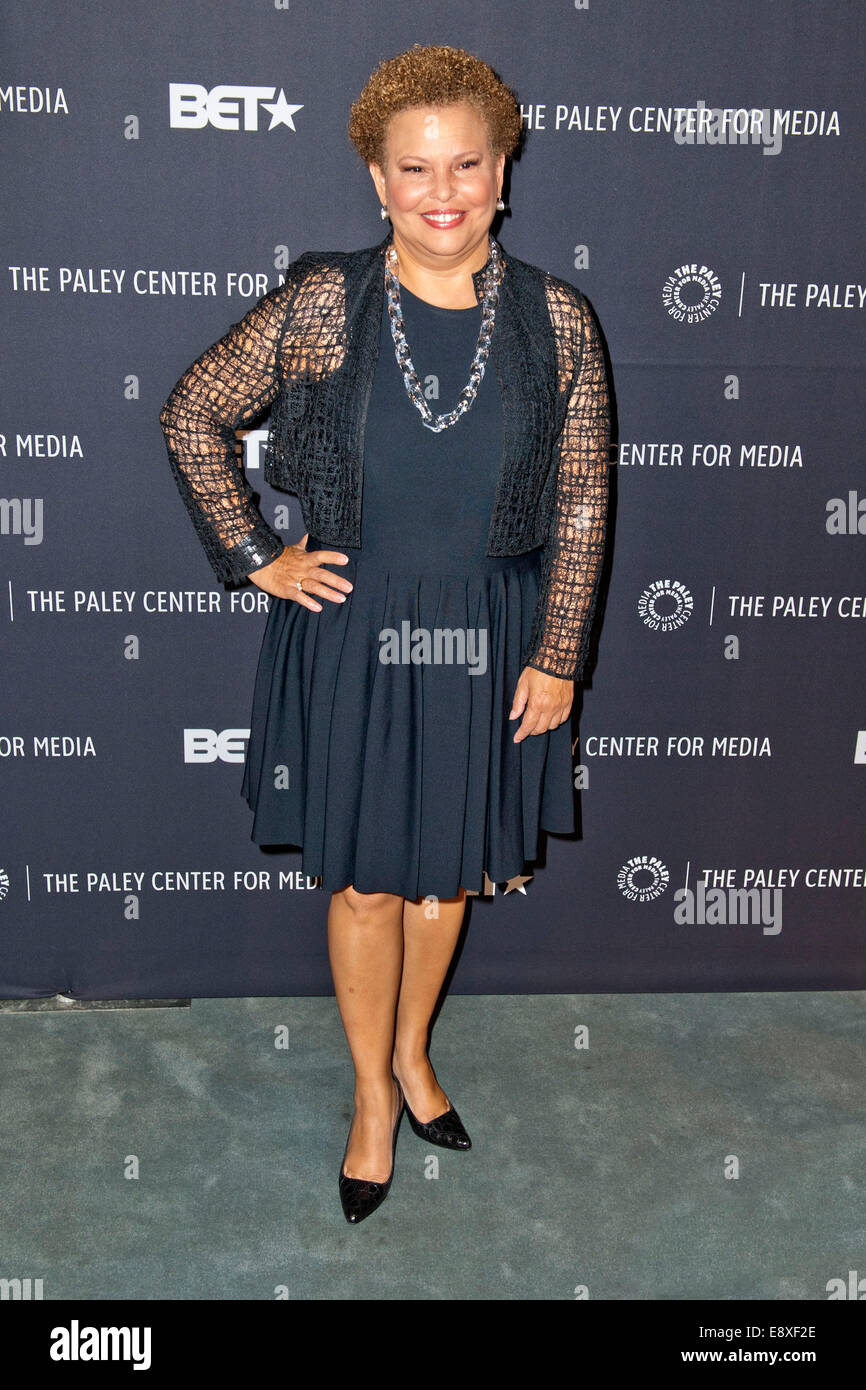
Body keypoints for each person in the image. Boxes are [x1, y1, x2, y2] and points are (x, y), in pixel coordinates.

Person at [160, 43, 611, 1224]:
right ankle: (370, 1096)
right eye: (414, 169)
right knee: (364, 885)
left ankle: (414, 1054)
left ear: (503, 166)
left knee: (446, 876)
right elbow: (191, 411)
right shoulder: (324, 300)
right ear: (376, 179)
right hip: (354, 634)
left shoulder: (560, 322)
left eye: (466, 161)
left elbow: (577, 498)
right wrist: (258, 556)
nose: (443, 189)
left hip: (490, 630)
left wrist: (558, 653)